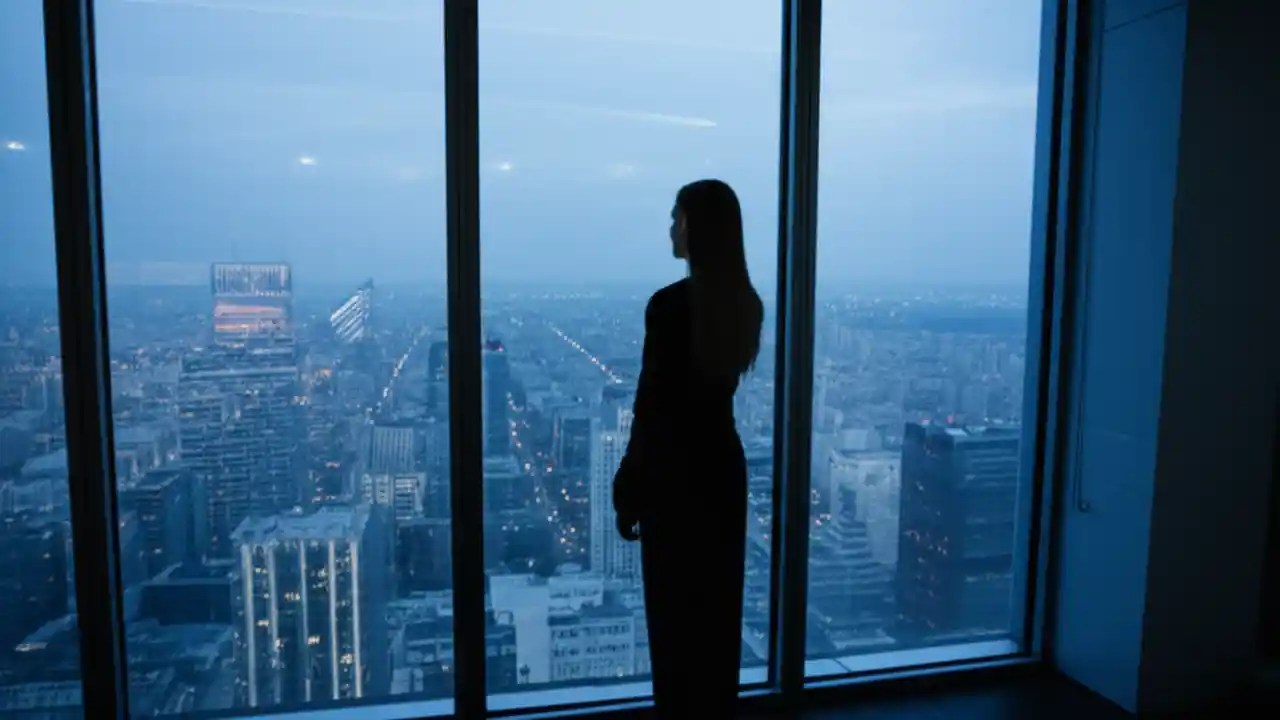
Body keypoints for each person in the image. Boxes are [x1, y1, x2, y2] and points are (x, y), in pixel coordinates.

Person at [613, 179, 764, 717]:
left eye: (677, 217)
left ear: (699, 226)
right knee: (716, 618)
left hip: (675, 478)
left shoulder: (669, 306)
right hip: (721, 471)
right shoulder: (748, 305)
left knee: (674, 623)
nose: (671, 228)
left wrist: (629, 484)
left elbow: (652, 405)